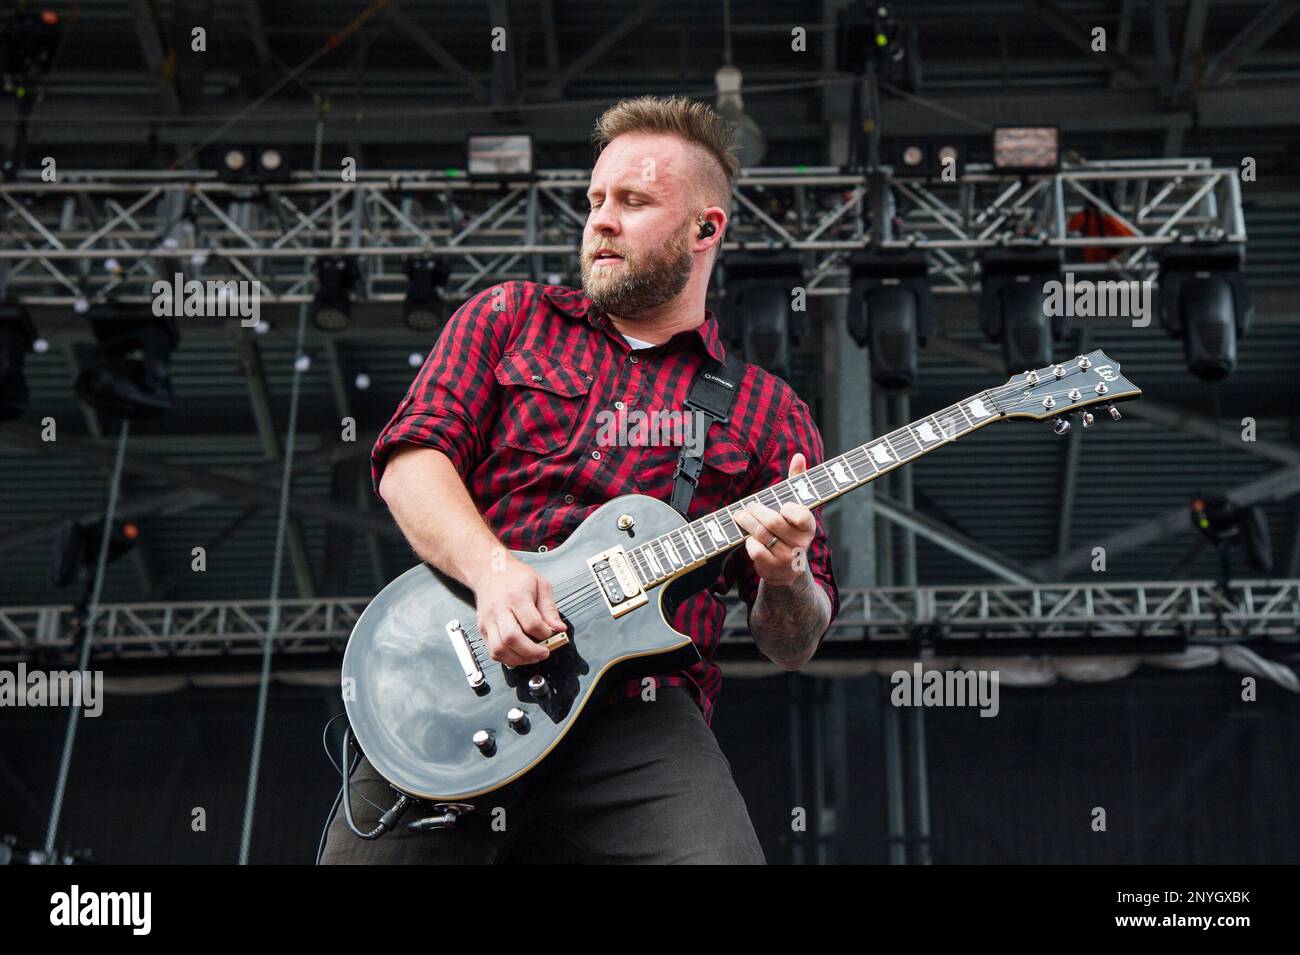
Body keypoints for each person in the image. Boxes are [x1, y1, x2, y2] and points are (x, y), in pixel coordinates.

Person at [320, 95, 839, 865]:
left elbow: (793, 641)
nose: (601, 219)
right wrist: (493, 570)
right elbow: (410, 462)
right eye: (596, 199)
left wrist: (785, 573)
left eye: (633, 201)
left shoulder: (768, 410)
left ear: (706, 229)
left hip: (642, 712)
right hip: (462, 674)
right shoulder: (508, 316)